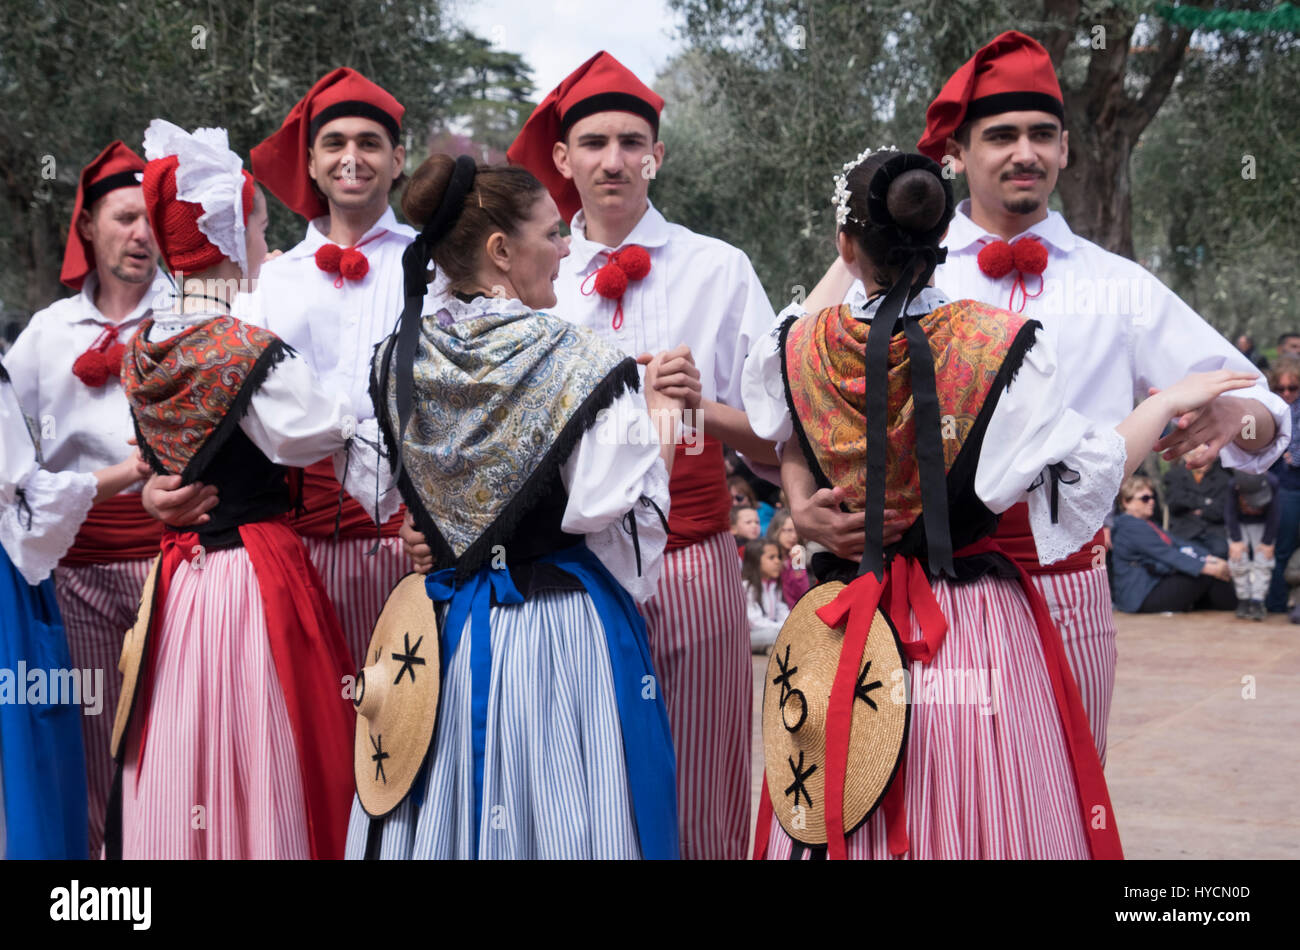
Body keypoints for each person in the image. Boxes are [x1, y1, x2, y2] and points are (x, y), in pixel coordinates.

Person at [742, 146, 1255, 859]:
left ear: (845, 244)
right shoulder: (998, 346)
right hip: (968, 622)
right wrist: (1164, 400)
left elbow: (780, 435)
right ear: (943, 244)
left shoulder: (794, 346)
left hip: (845, 618)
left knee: (846, 795)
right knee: (984, 807)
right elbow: (1087, 474)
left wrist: (799, 495)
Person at [792, 31, 1287, 766]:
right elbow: (795, 384)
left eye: (1042, 135)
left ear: (1064, 152)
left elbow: (1264, 408)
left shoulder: (1119, 285)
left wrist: (1236, 415)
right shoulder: (892, 266)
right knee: (939, 806)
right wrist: (802, 502)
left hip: (1067, 588)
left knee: (1065, 794)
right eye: (1001, 135)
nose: (1024, 151)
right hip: (925, 592)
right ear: (955, 153)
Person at [347, 154, 680, 859]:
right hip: (554, 635)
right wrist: (661, 415)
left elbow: (373, 487)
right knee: (561, 820)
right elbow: (607, 510)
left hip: (441, 642)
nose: (566, 249)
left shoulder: (392, 358)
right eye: (554, 233)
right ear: (501, 250)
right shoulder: (580, 356)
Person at [501, 50, 779, 859]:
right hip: (567, 573)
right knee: (582, 790)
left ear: (657, 153)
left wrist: (701, 408)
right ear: (562, 159)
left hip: (692, 561)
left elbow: (773, 436)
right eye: (593, 142)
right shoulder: (528, 274)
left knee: (704, 786)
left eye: (632, 141)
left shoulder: (719, 268)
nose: (614, 160)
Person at [108, 121, 390, 859]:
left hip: (180, 578)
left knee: (187, 743)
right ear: (230, 239)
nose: (267, 246)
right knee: (265, 747)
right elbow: (313, 432)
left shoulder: (146, 346)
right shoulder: (245, 349)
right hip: (253, 575)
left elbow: (151, 460)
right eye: (260, 228)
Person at [2, 141, 168, 858]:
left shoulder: (189, 319)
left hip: (174, 569)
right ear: (90, 229)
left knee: (169, 757)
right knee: (89, 758)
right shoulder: (45, 336)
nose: (141, 234)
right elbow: (17, 466)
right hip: (77, 578)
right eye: (125, 218)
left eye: (153, 219)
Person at [230, 68, 414, 669]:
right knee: (318, 735)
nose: (352, 157)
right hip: (297, 547)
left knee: (416, 736)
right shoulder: (272, 283)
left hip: (418, 546)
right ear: (311, 163)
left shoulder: (436, 267)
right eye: (335, 143)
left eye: (370, 143)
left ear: (398, 159)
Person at [1, 363, 141, 857]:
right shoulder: (44, 336)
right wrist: (129, 471)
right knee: (24, 748)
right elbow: (24, 499)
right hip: (11, 580)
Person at [1111, 475, 1236, 614]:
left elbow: (1178, 544)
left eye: (1153, 498)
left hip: (1153, 585)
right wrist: (1209, 568)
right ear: (1126, 502)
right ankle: (1233, 609)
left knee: (1209, 572)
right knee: (1207, 575)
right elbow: (1168, 554)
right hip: (1142, 596)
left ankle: (1227, 608)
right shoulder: (1130, 527)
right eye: (1145, 498)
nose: (1151, 502)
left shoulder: (1147, 524)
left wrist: (1210, 558)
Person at [1265, 357, 1300, 611]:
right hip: (1284, 487)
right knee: (1282, 547)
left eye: (1293, 388)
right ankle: (1276, 603)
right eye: (1281, 388)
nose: (1287, 393)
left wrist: (1295, 455)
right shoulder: (1269, 409)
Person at [1225, 471, 1279, 620]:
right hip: (1239, 525)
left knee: (1264, 561)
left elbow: (1275, 513)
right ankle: (1243, 598)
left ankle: (1258, 601)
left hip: (1263, 524)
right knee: (1237, 560)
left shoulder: (1272, 482)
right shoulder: (1233, 485)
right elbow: (1229, 513)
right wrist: (1235, 540)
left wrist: (1268, 542)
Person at [1163, 457, 1231, 558]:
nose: (1204, 460)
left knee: (1220, 551)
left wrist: (1197, 508)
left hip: (1213, 531)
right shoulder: (1174, 476)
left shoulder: (1224, 479)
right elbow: (1175, 503)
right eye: (1200, 456)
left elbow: (1221, 510)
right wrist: (1205, 501)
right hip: (1184, 530)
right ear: (1187, 457)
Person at [742, 539, 788, 654]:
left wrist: (791, 623)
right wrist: (782, 627)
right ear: (755, 561)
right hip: (749, 635)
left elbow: (781, 609)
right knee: (775, 634)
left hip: (770, 629)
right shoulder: (747, 586)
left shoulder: (773, 585)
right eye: (771, 557)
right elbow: (754, 621)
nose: (777, 561)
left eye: (779, 557)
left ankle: (769, 648)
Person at [768, 509, 810, 608]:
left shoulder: (795, 556)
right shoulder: (767, 556)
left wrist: (797, 565)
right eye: (789, 530)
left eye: (797, 531)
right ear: (776, 529)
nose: (794, 536)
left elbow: (803, 593)